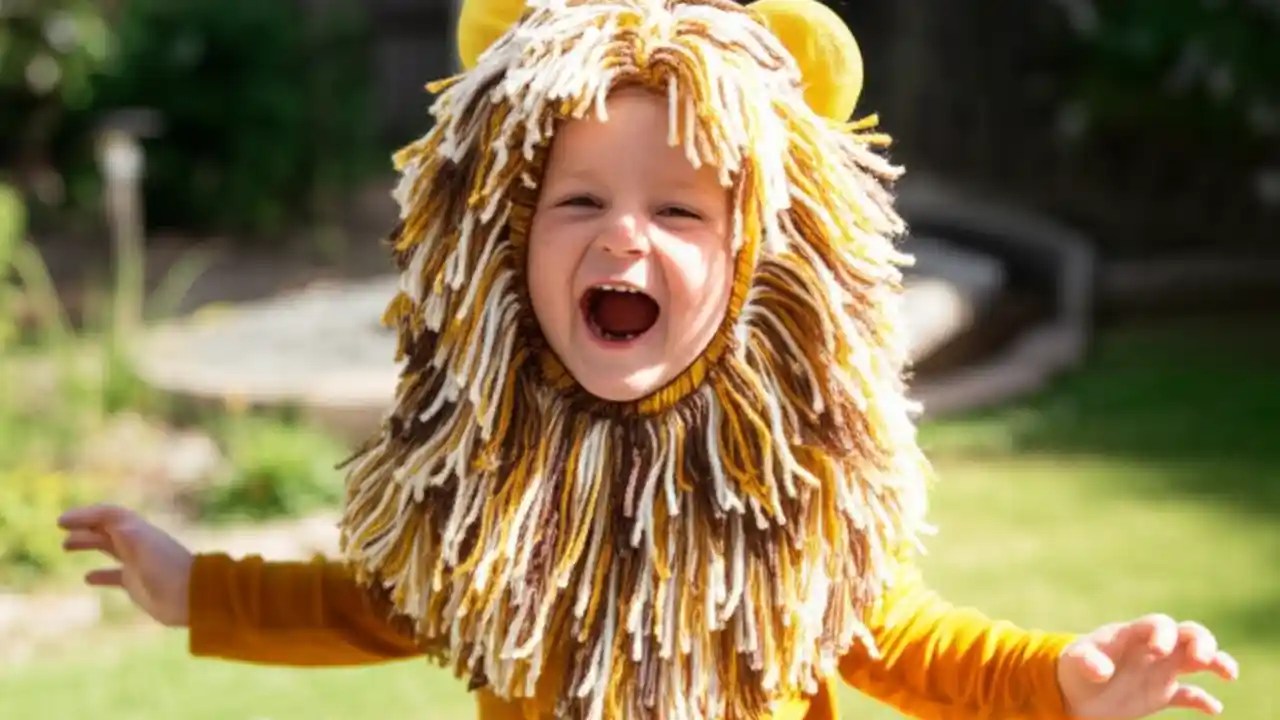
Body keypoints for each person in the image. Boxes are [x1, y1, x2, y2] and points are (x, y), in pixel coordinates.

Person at [58, 0, 1238, 717]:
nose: (622, 234)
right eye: (577, 200)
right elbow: (376, 606)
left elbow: (910, 645)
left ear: (755, 261)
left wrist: (1060, 681)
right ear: (504, 242)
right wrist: (194, 589)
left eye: (679, 213)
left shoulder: (787, 494)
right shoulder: (496, 487)